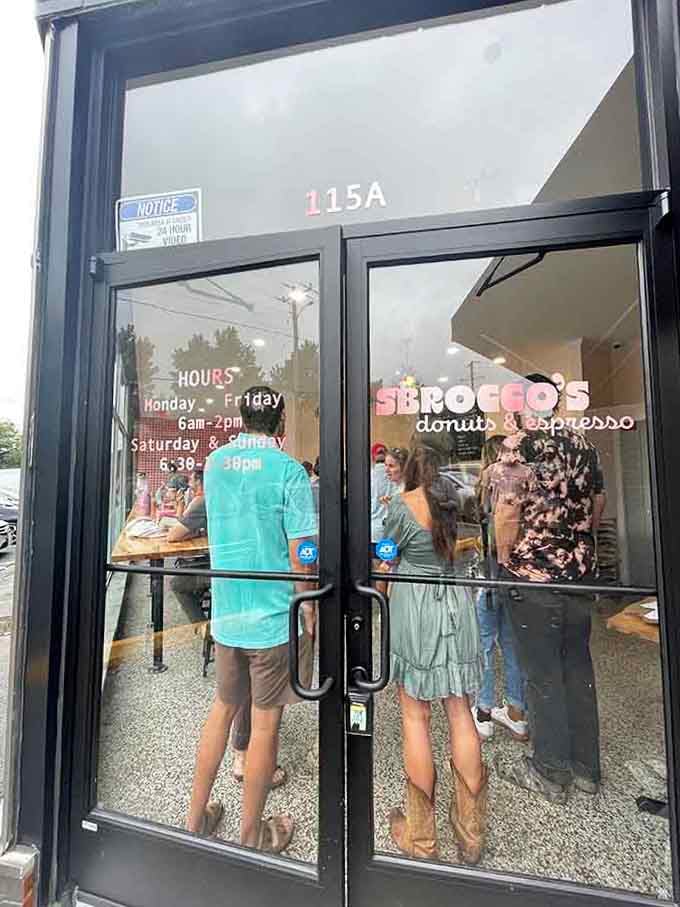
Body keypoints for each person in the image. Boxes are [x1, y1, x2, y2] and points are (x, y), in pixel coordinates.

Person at [187, 386, 317, 851]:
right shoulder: (289, 471)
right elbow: (302, 551)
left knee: (220, 712)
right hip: (272, 619)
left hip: (228, 615)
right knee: (264, 727)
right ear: (281, 423)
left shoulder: (216, 464)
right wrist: (310, 606)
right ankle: (251, 836)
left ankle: (195, 818)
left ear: (241, 418)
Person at [497, 374, 606, 804]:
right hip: (579, 574)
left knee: (542, 673)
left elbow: (507, 510)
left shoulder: (520, 445)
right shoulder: (584, 443)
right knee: (578, 667)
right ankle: (587, 770)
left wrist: (506, 561)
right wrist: (575, 543)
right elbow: (598, 504)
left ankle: (550, 770)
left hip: (534, 576)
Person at [379, 442, 487, 865]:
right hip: (455, 604)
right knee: (460, 713)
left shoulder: (401, 507)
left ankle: (422, 837)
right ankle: (472, 833)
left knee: (415, 716)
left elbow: (388, 555)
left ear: (409, 468)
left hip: (416, 606)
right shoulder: (454, 502)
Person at [167, 470, 287, 788]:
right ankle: (243, 757)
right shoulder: (251, 503)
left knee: (233, 696)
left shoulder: (210, 501)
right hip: (254, 598)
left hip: (229, 596)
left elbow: (175, 534)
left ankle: (238, 762)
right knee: (251, 695)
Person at [472, 436, 529, 742]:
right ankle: (518, 713)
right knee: (511, 641)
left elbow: (489, 529)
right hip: (518, 576)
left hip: (493, 573)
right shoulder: (525, 485)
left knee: (483, 642)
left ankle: (483, 712)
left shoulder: (490, 486)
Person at [370, 442, 397, 554]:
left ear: (372, 458)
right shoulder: (396, 476)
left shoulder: (367, 475)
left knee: (376, 568)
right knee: (390, 568)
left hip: (373, 529)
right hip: (392, 530)